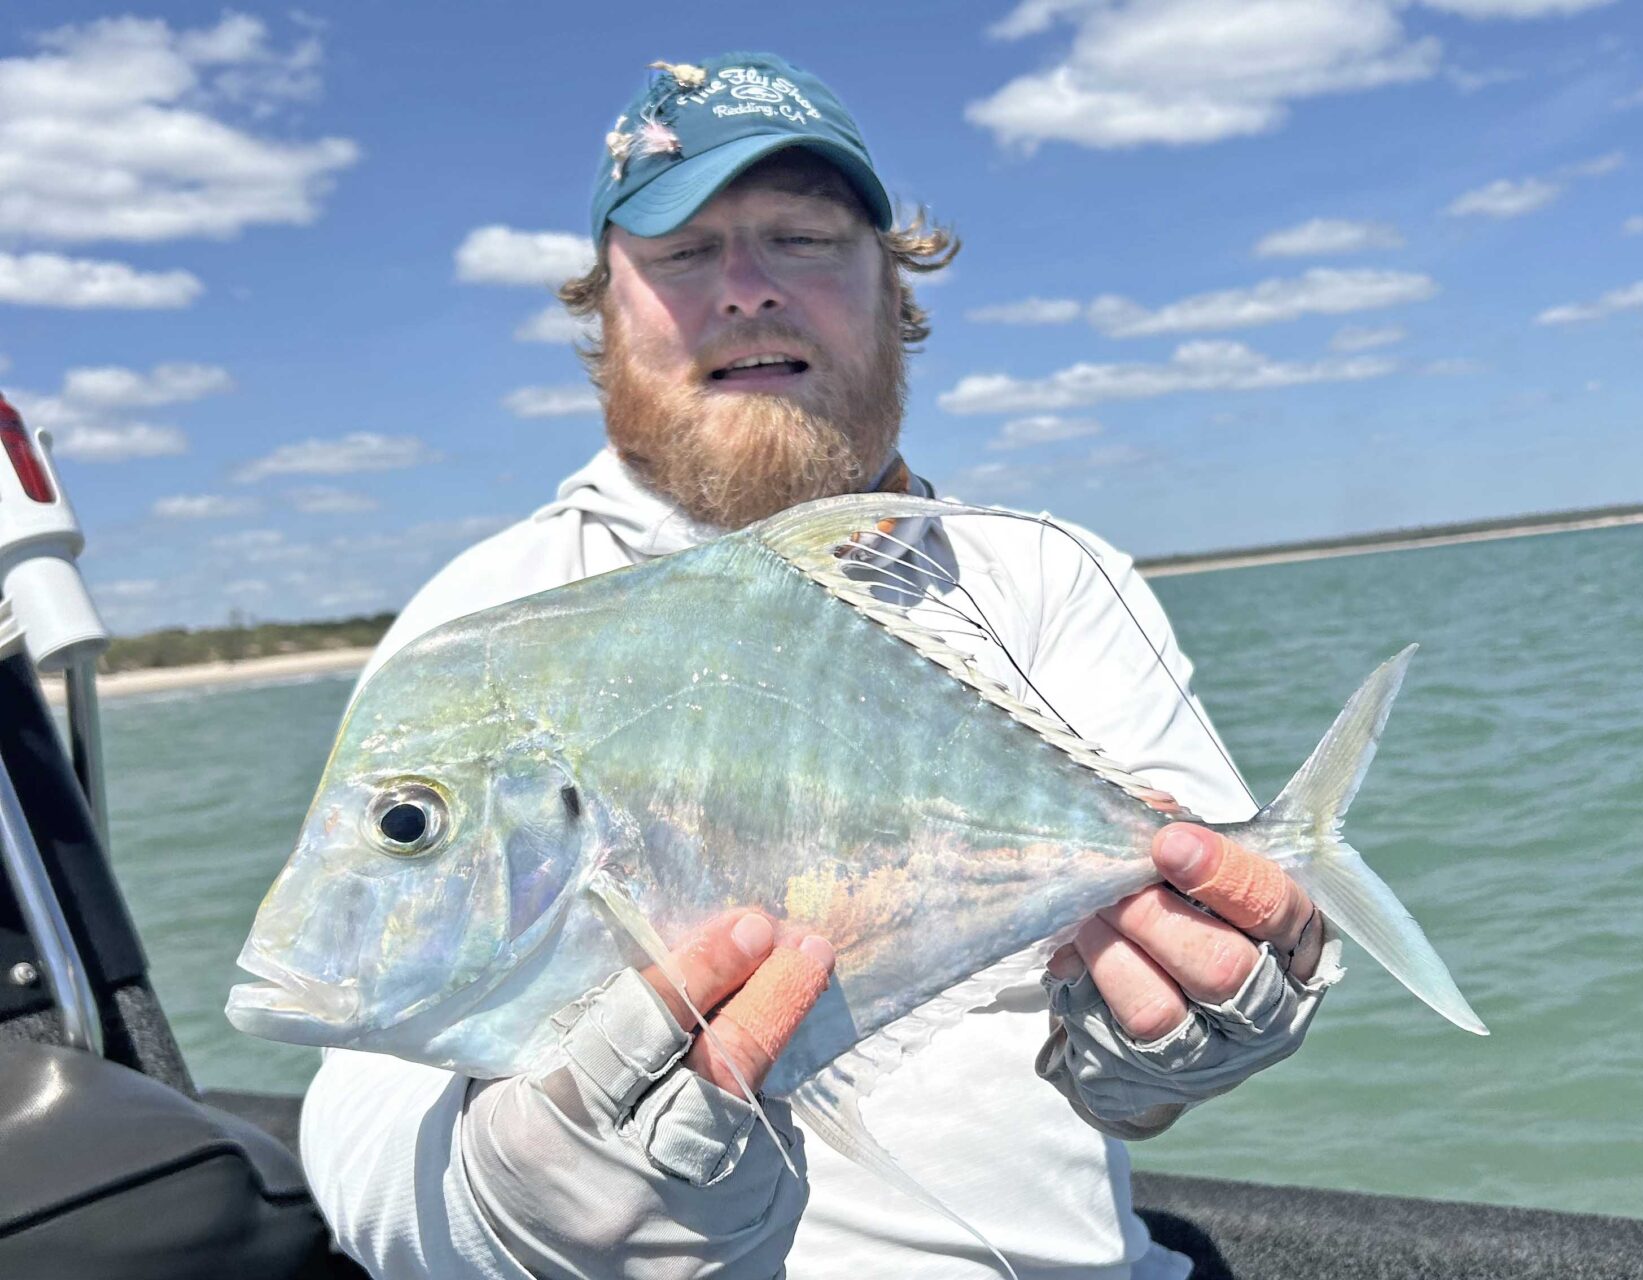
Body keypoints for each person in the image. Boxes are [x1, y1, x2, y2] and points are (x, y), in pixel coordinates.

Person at [300, 52, 1343, 1279]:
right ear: (606, 309)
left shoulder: (1051, 578)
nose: (746, 291)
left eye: (801, 238)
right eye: (682, 254)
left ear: (893, 286)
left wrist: (1171, 1033)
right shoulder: (485, 624)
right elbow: (357, 1102)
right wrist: (502, 1205)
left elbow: (1144, 1065)